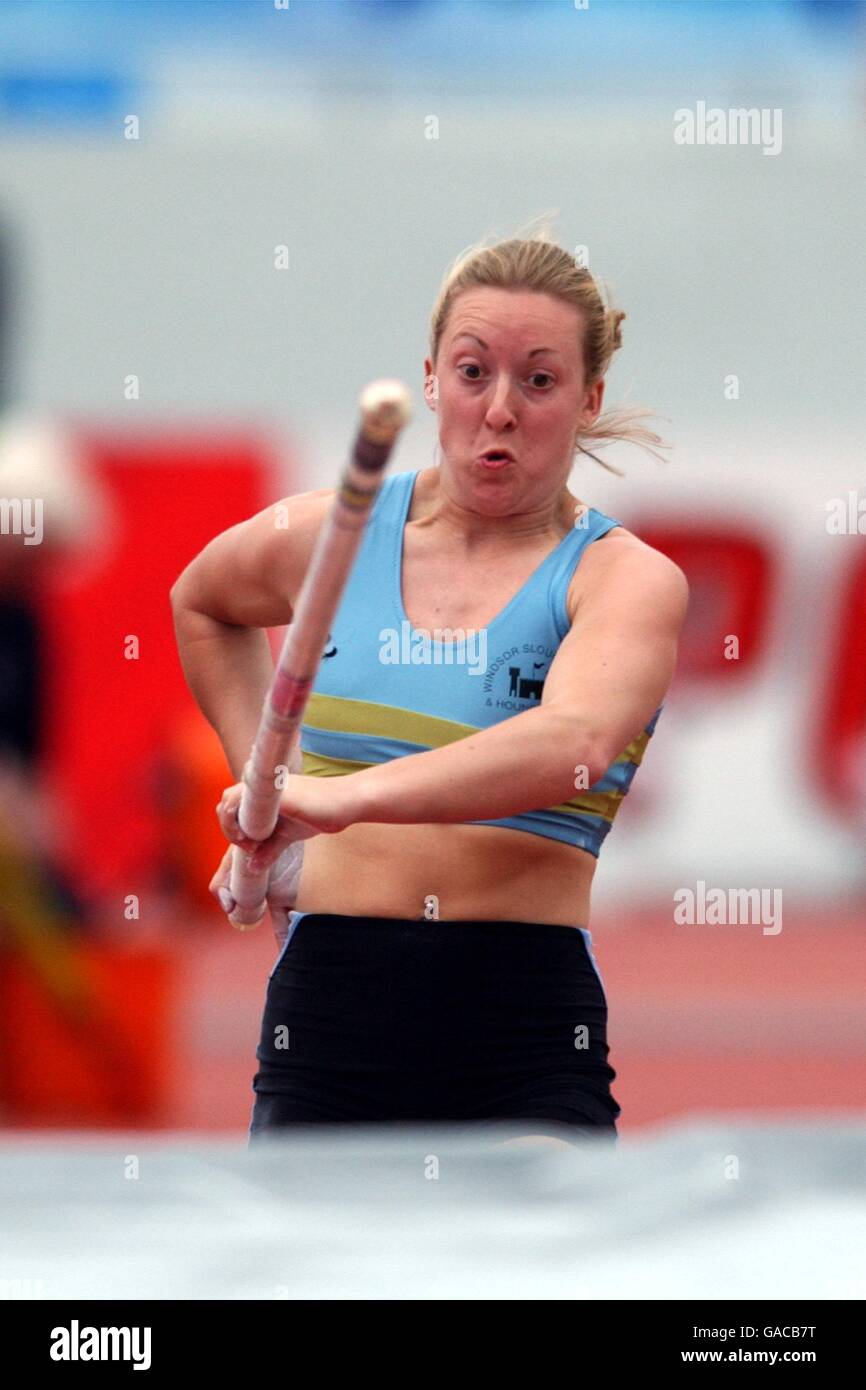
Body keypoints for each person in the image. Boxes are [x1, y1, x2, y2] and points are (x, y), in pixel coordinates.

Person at [170, 230, 689, 1146]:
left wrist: (335, 801)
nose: (499, 410)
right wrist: (270, 791)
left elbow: (573, 745)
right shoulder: (330, 536)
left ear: (587, 399)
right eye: (473, 371)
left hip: (525, 1026)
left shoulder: (621, 578)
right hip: (328, 1016)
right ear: (431, 382)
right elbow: (202, 603)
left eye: (538, 380)